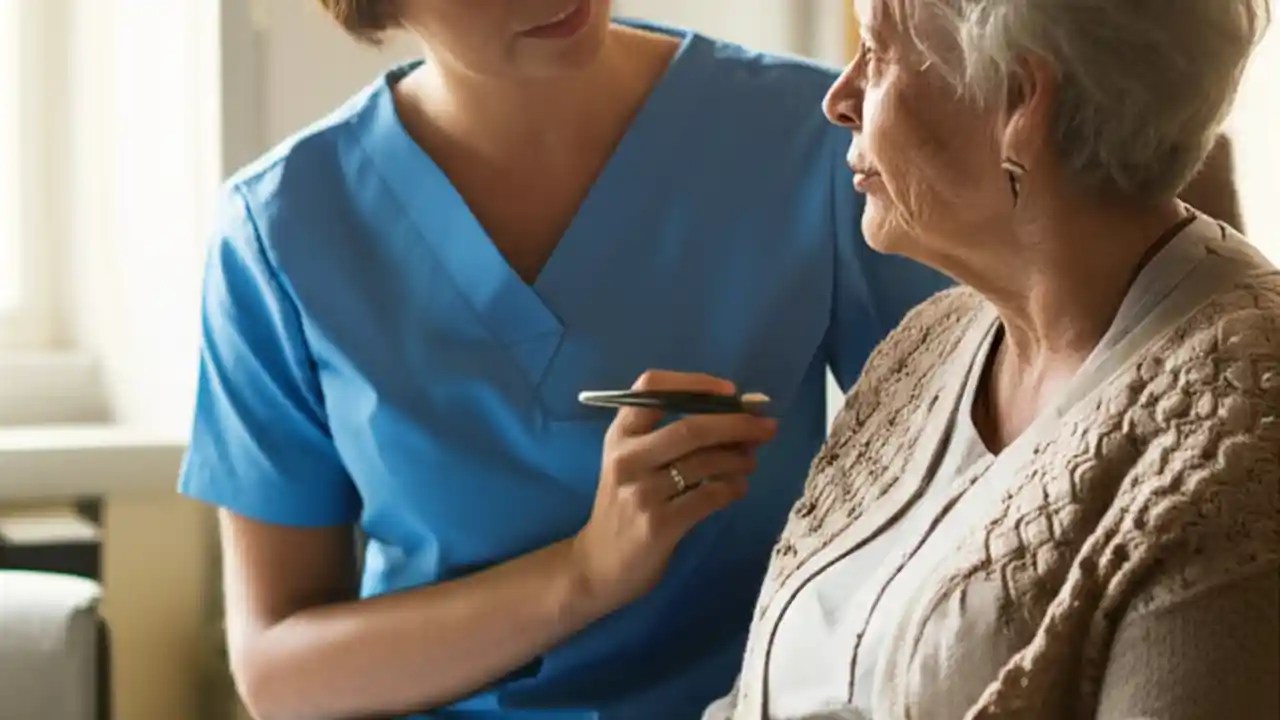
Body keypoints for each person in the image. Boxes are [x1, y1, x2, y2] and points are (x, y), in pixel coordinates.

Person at [176, 1, 954, 718]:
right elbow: (278, 670)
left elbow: (981, 469)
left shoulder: (825, 139)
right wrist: (585, 574)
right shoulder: (283, 232)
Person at [710, 0, 1278, 718]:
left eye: (878, 55)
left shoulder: (1246, 426)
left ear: (1021, 100)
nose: (839, 98)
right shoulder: (928, 344)